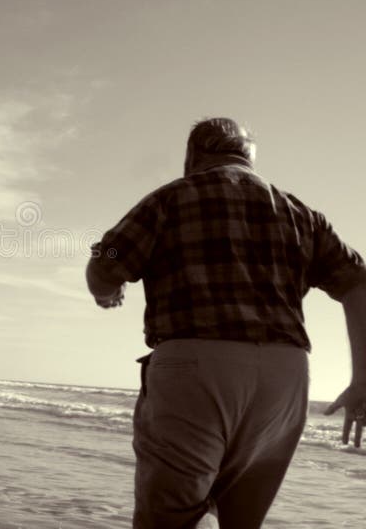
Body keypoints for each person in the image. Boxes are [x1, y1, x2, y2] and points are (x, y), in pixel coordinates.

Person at [85, 118, 366, 528]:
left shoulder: (169, 199)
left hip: (195, 364)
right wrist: (362, 379)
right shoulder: (299, 213)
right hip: (286, 374)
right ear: (250, 159)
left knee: (166, 520)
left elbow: (108, 260)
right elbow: (357, 282)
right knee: (242, 521)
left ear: (192, 156)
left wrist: (104, 285)